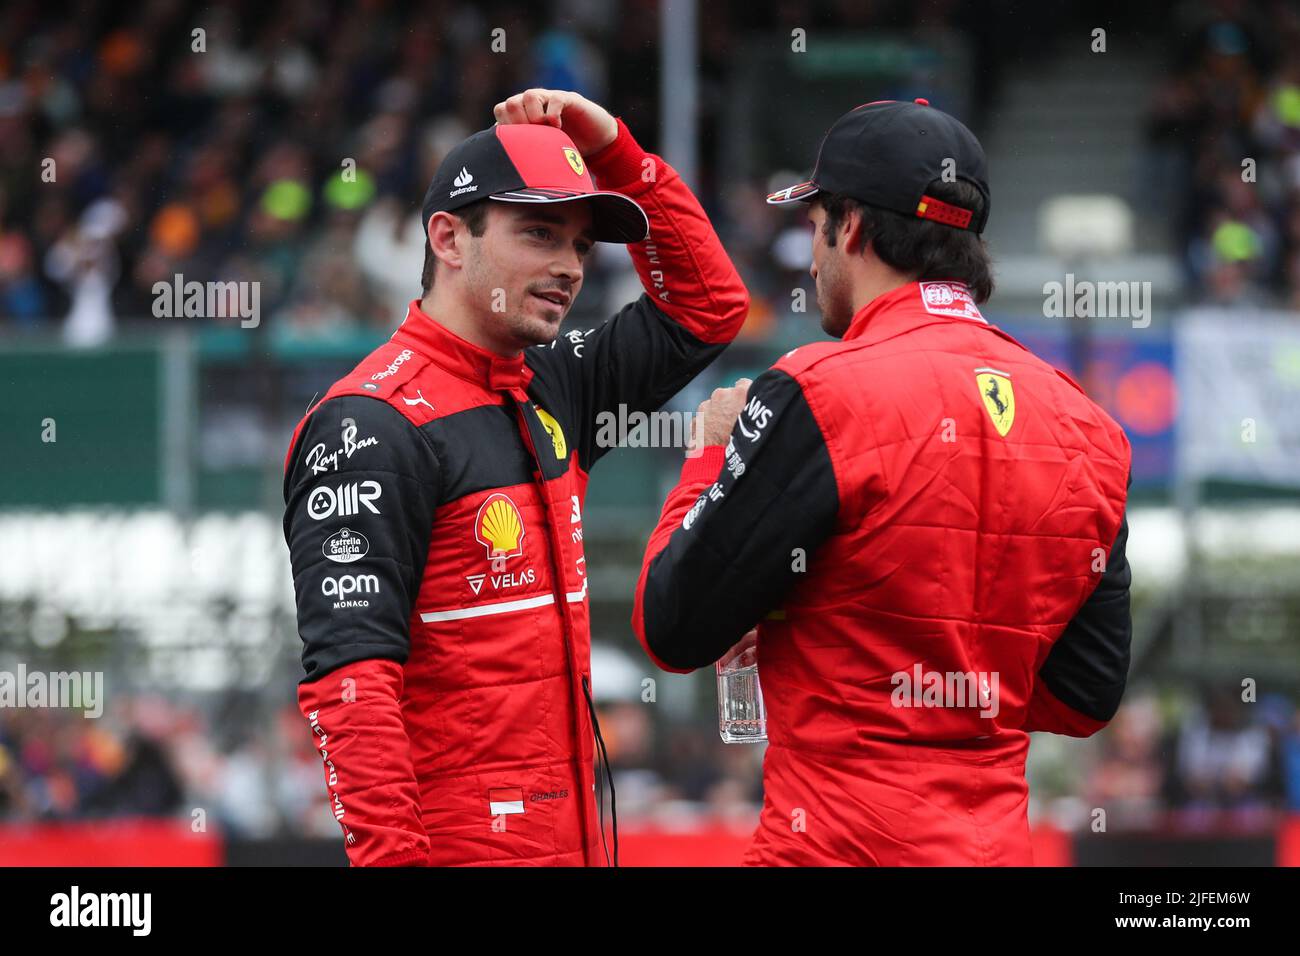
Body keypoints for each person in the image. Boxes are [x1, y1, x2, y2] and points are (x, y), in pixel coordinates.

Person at [631, 99, 1133, 865]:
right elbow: (1084, 696)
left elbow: (671, 625)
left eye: (815, 225)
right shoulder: (1091, 428)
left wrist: (707, 454)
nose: (812, 256)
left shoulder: (816, 389)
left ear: (853, 228)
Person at [283, 88, 749, 866]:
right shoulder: (367, 424)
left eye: (577, 245)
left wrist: (619, 156)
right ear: (449, 238)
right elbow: (351, 684)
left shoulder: (552, 383)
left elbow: (708, 309)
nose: (568, 267)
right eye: (538, 233)